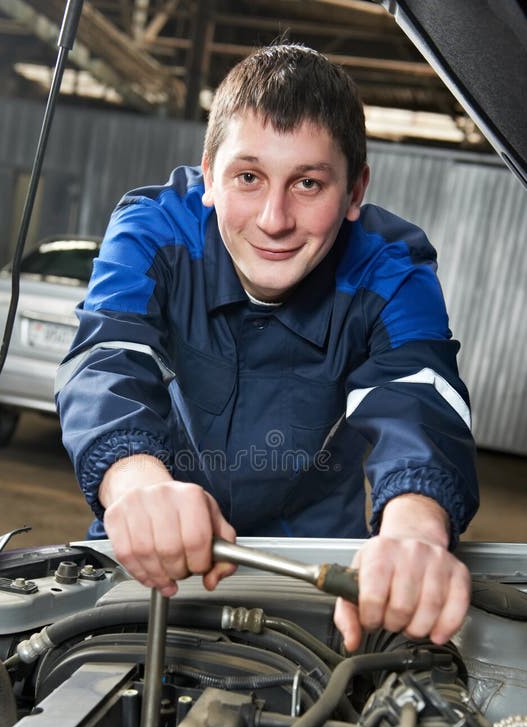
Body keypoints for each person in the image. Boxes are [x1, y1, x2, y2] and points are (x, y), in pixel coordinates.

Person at [56, 43, 479, 653]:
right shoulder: (152, 230)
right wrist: (135, 482)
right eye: (248, 177)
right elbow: (108, 356)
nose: (274, 219)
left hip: (313, 571)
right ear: (208, 176)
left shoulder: (391, 266)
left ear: (355, 191)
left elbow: (418, 392)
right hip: (157, 543)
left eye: (308, 183)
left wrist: (414, 528)